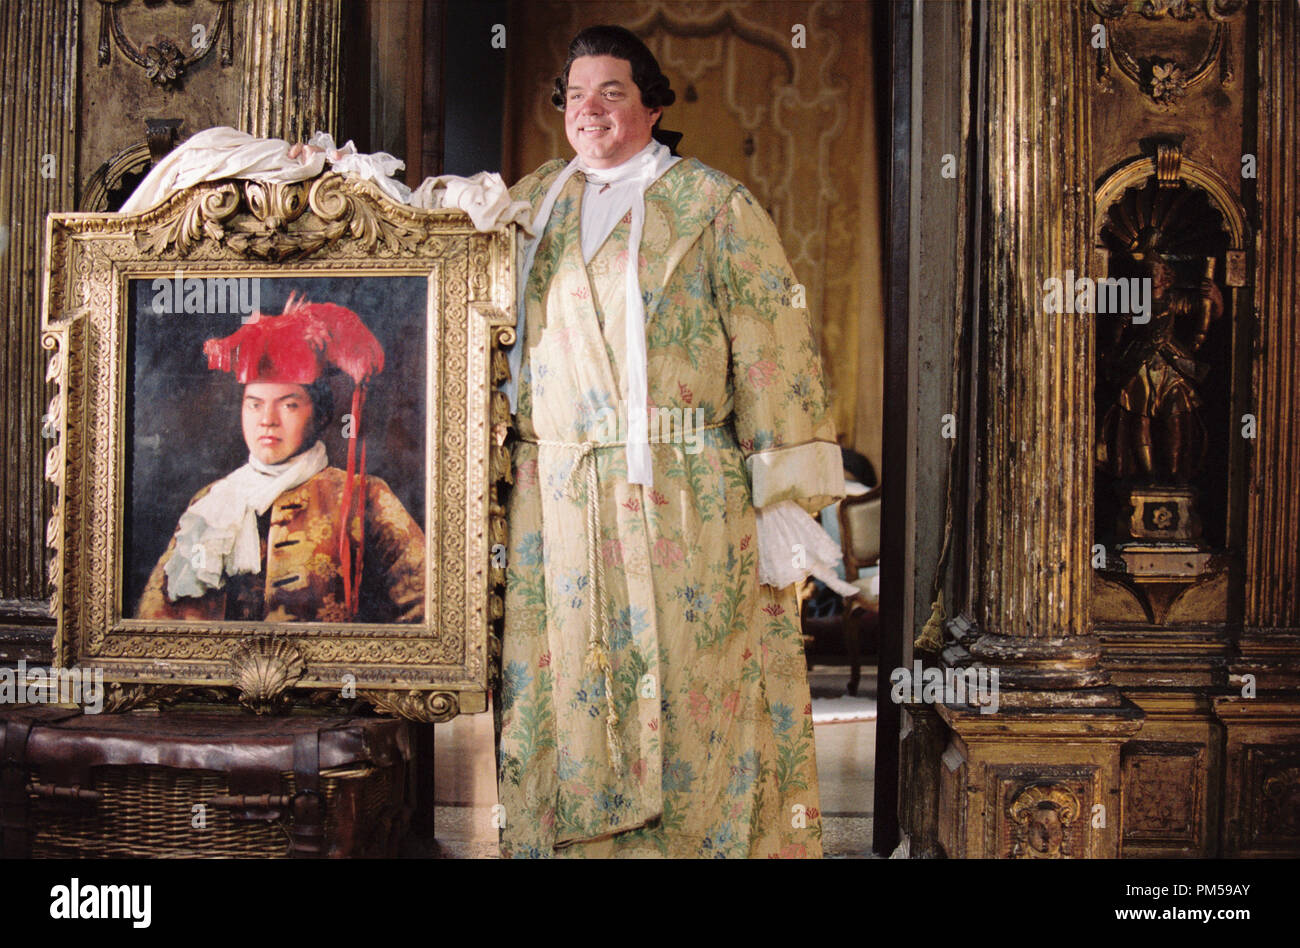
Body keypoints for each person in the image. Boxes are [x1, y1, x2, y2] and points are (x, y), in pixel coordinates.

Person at [495, 26, 845, 858]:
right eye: (576, 94)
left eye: (612, 91)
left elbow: (772, 343)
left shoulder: (715, 206)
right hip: (562, 495)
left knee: (693, 678)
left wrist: (783, 502)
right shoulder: (527, 204)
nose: (591, 110)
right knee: (568, 684)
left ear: (652, 104)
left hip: (686, 489)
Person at [137, 296, 425, 624]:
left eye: (288, 405)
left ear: (318, 414)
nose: (267, 420)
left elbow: (427, 609)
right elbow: (155, 617)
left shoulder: (365, 497)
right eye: (255, 404)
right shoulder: (210, 502)